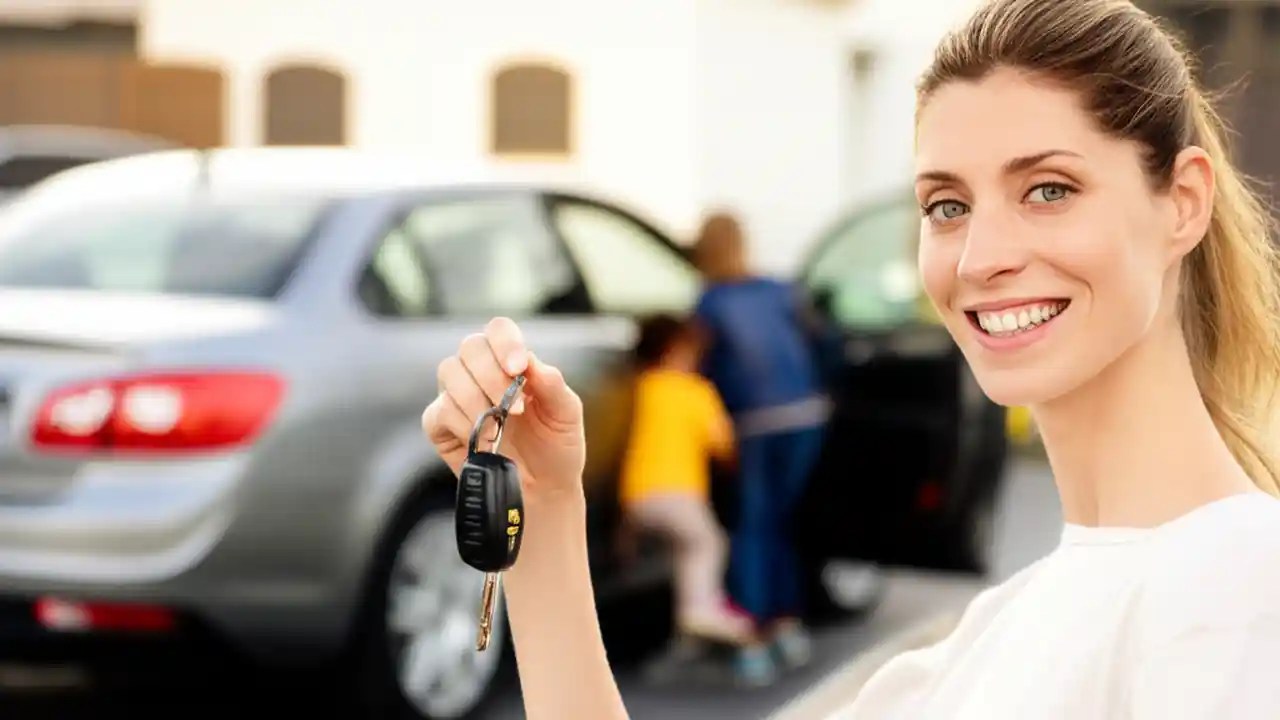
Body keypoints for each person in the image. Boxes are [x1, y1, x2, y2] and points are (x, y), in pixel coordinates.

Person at [419, 0, 1280, 716]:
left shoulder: (1235, 594)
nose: (979, 257)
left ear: (1183, 203)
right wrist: (543, 516)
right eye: (947, 205)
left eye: (1047, 190)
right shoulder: (997, 630)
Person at [689, 210, 832, 683]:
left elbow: (699, 370)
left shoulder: (708, 303)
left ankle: (752, 638)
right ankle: (789, 627)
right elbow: (821, 342)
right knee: (781, 522)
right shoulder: (781, 291)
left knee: (752, 525)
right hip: (806, 415)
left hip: (752, 422)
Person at [615, 313, 753, 648]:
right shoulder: (694, 391)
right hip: (677, 491)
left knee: (682, 551)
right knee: (709, 543)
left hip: (635, 496)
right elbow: (722, 445)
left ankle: (687, 629)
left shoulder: (641, 386)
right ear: (676, 351)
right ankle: (698, 611)